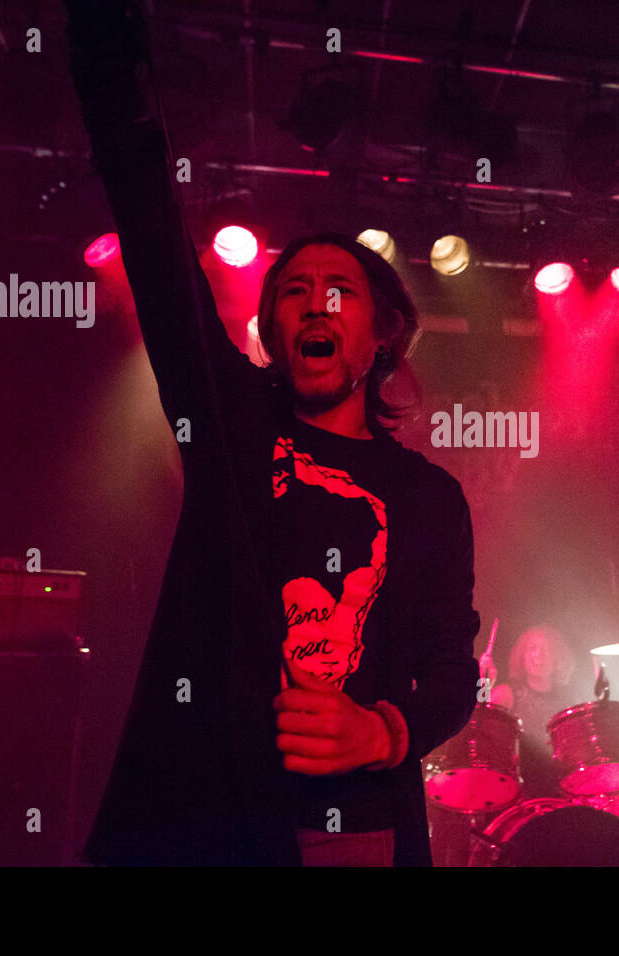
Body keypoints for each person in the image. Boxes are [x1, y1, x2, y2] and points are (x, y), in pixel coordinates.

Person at [65, 0, 480, 866]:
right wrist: (110, 56)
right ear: (273, 333)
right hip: (197, 814)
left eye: (340, 290)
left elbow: (452, 671)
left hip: (352, 823)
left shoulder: (429, 498)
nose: (315, 302)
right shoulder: (233, 427)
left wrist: (382, 733)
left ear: (382, 337)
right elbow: (153, 238)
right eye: (293, 291)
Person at [491, 625, 581, 797]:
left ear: (558, 659)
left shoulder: (571, 700)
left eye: (547, 650)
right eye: (532, 648)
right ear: (522, 656)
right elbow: (480, 724)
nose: (539, 654)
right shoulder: (506, 694)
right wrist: (484, 683)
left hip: (563, 792)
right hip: (517, 792)